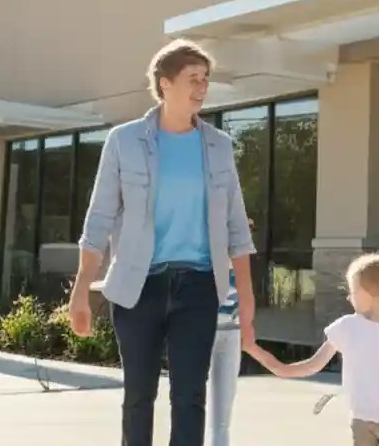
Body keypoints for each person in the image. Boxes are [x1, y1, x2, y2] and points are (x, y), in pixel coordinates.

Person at [70, 39, 257, 446]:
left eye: (205, 79)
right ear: (164, 83)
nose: (202, 87)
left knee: (190, 397)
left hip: (199, 286)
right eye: (193, 78)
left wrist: (246, 299)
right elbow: (99, 219)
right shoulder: (124, 141)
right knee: (139, 396)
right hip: (138, 287)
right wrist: (81, 289)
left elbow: (236, 227)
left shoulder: (219, 146)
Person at [247, 253, 379, 446]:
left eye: (353, 291)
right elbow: (313, 365)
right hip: (362, 421)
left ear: (368, 294)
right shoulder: (347, 327)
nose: (348, 297)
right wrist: (264, 357)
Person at [206, 218, 254, 446]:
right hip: (202, 331)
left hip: (231, 332)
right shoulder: (204, 256)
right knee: (190, 403)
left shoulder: (241, 263)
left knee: (223, 413)